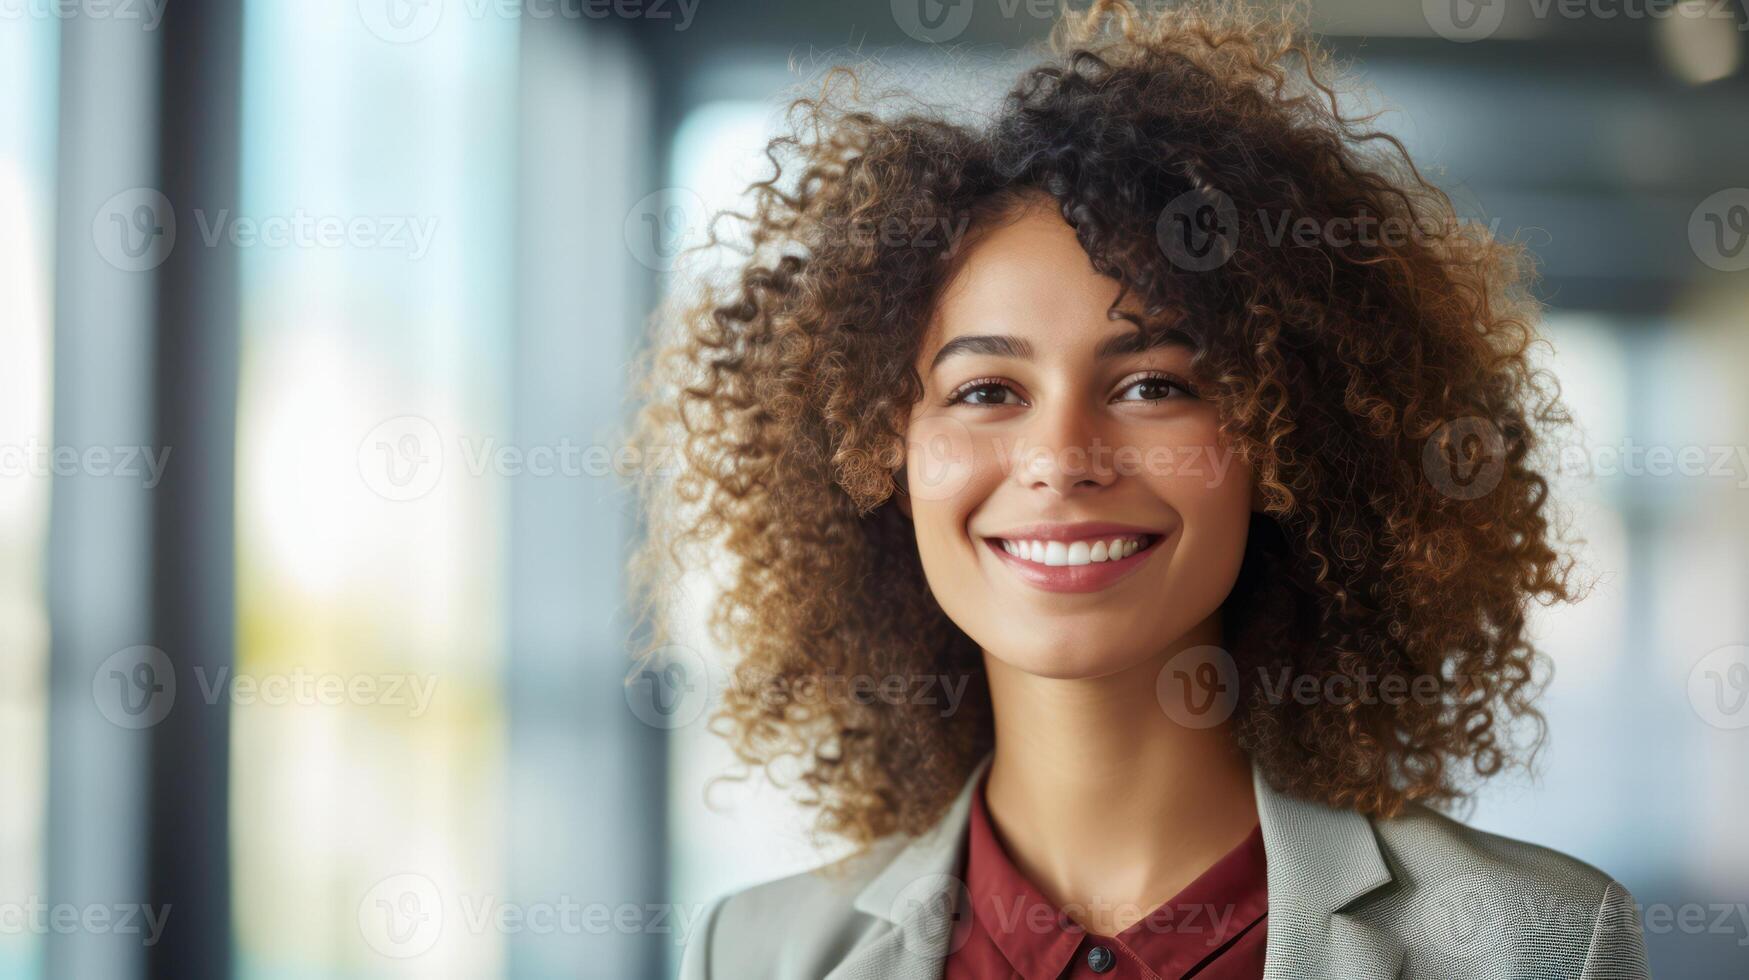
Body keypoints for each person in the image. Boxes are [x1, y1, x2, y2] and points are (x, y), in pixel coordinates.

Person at [627, 1, 1653, 976]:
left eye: (1154, 384)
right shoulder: (753, 950)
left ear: (1286, 444)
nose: (1062, 454)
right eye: (987, 389)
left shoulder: (1535, 944)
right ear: (879, 458)